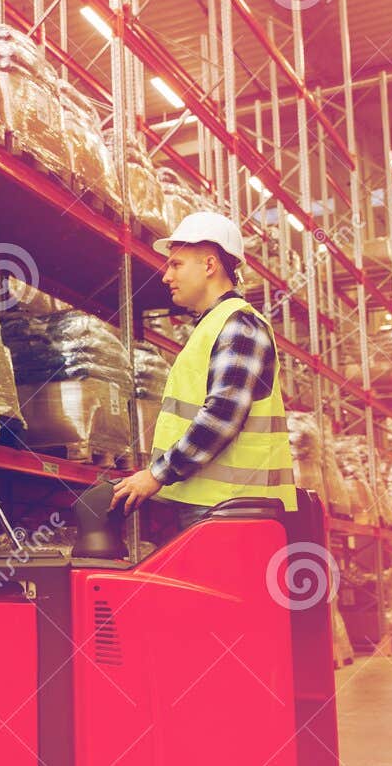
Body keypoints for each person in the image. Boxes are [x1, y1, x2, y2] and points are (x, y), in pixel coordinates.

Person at [108, 211, 297, 539]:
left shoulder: (239, 325)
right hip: (217, 505)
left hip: (232, 508)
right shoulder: (215, 325)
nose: (166, 276)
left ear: (209, 265)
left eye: (176, 265)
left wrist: (156, 475)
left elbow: (221, 416)